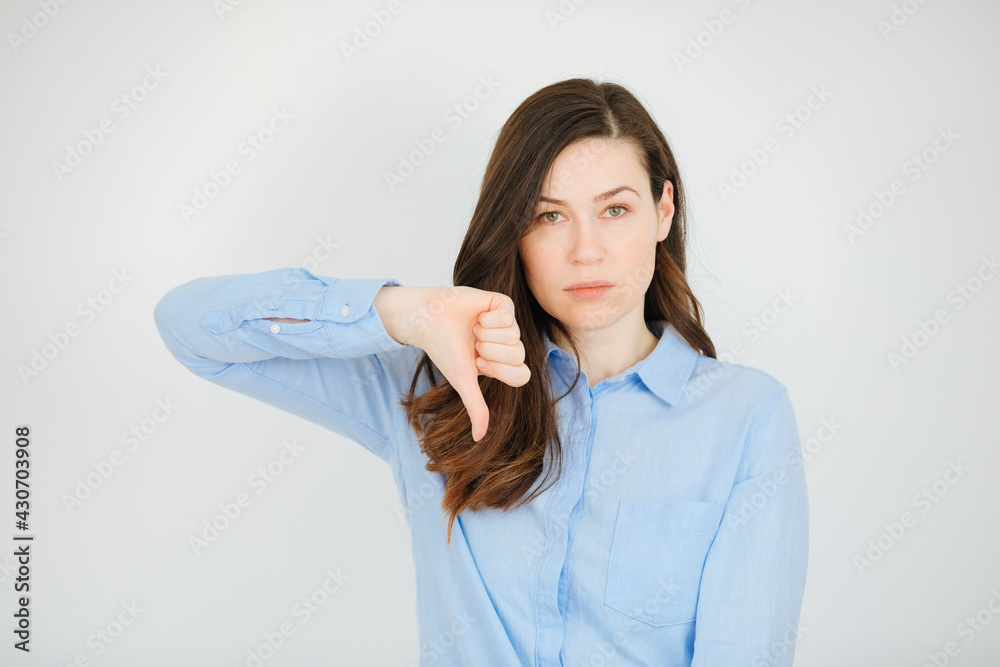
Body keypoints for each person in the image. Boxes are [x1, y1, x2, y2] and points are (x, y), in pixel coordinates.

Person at [153, 77, 808, 666]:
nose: (586, 251)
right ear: (514, 232)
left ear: (663, 211)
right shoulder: (434, 389)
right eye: (549, 215)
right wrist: (405, 310)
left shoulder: (745, 416)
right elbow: (191, 329)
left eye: (615, 209)